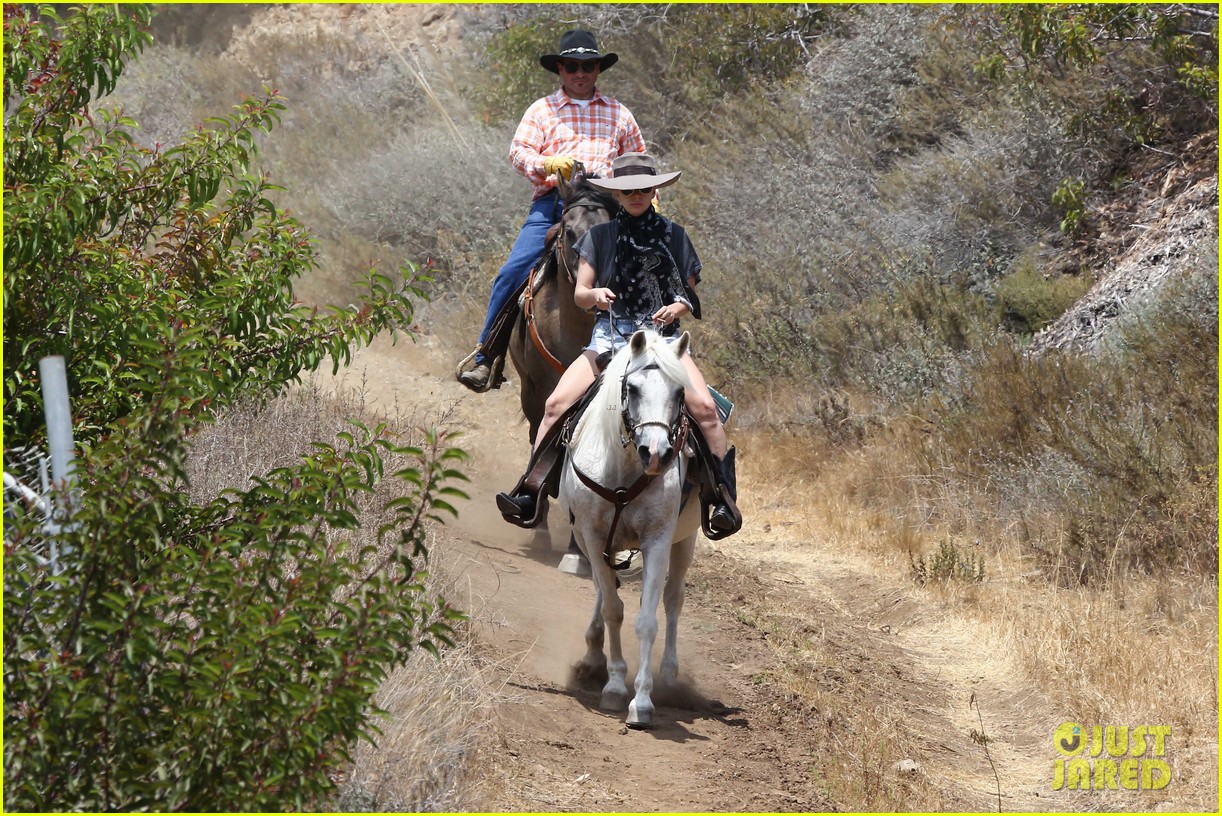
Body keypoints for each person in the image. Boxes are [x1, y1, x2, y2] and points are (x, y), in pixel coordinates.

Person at [495, 152, 742, 538]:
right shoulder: (599, 237)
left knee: (706, 410)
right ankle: (532, 490)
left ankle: (721, 499)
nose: (637, 195)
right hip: (609, 338)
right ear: (619, 196)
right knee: (555, 404)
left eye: (643, 189)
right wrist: (595, 296)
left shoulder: (675, 236)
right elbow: (579, 293)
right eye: (628, 191)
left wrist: (673, 306)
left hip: (664, 343)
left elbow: (689, 299)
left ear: (654, 190)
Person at [457, 29, 648, 392]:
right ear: (560, 68)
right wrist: (548, 164)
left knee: (654, 266)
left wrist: (648, 197)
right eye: (573, 66)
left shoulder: (619, 113)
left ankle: (666, 354)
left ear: (598, 69)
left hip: (610, 205)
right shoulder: (542, 110)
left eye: (588, 66)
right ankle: (487, 356)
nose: (581, 73)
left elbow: (637, 157)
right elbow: (518, 153)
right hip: (555, 204)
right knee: (513, 271)